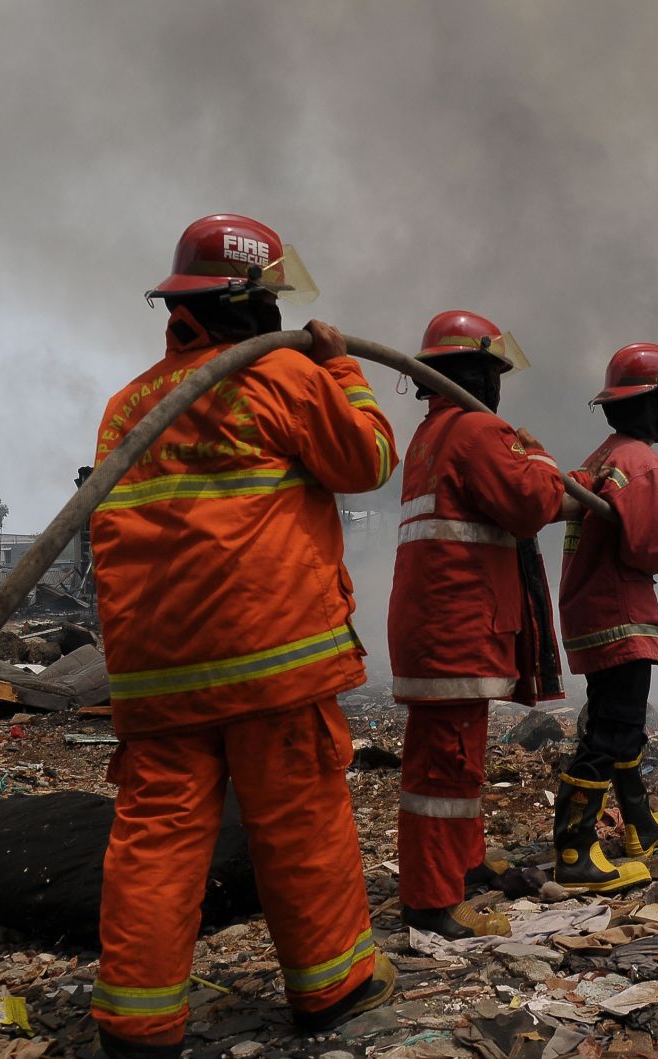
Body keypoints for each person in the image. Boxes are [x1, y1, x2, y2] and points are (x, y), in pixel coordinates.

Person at [89, 214, 398, 1058]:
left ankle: (138, 1023)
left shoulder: (128, 406)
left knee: (157, 834)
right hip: (270, 662)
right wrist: (342, 366)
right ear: (250, 302)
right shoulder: (284, 373)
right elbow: (369, 458)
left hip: (157, 676)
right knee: (299, 820)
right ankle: (333, 988)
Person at [388, 309, 566, 939]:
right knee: (443, 769)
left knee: (457, 759)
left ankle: (460, 866)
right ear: (470, 371)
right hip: (457, 627)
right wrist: (537, 453)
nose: (497, 385)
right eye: (492, 371)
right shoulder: (479, 430)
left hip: (441, 625)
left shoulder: (433, 434)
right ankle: (431, 901)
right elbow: (534, 502)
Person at [555, 342, 658, 893]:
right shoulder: (646, 463)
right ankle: (575, 851)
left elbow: (627, 526)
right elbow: (644, 551)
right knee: (608, 735)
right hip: (622, 618)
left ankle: (640, 827)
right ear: (650, 405)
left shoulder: (606, 456)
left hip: (593, 613)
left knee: (621, 726)